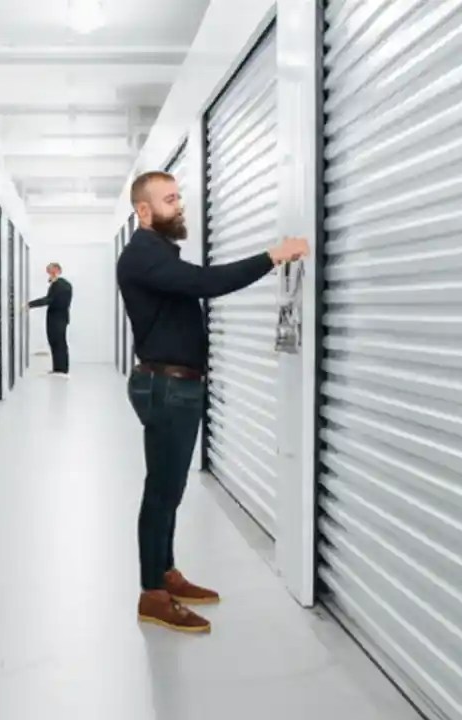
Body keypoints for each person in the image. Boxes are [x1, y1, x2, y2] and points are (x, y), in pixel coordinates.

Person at [116, 170, 308, 633]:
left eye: (179, 197)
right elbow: (208, 282)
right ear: (144, 211)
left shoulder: (158, 252)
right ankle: (152, 594)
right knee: (161, 492)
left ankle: (165, 573)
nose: (178, 205)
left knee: (171, 489)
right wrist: (271, 256)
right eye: (169, 199)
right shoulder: (142, 253)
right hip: (166, 388)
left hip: (174, 385)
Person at [26, 262, 73, 376]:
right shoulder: (63, 284)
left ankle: (61, 369)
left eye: (50, 272)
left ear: (56, 270)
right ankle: (58, 368)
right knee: (56, 342)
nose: (49, 275)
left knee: (58, 343)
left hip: (57, 318)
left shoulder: (60, 284)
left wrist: (30, 305)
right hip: (59, 317)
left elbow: (49, 299)